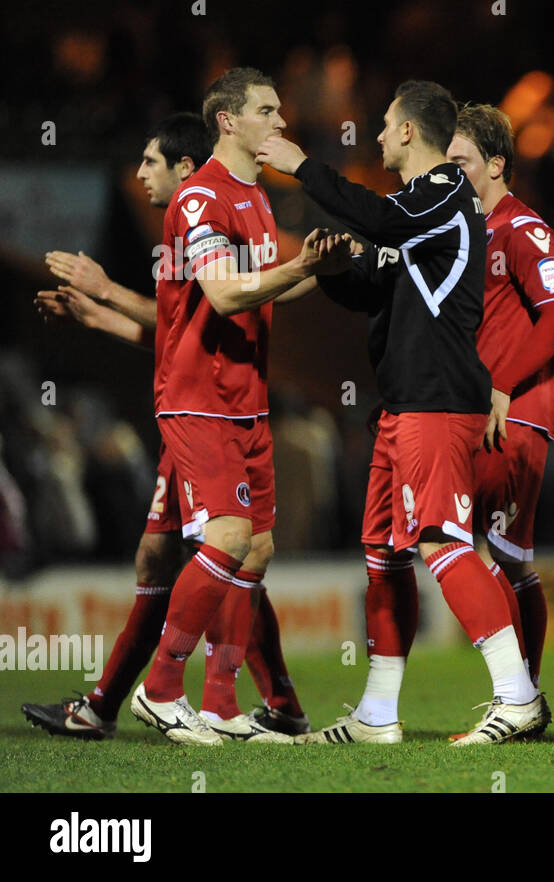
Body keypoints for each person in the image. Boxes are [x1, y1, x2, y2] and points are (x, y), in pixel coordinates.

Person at [258, 80, 545, 746]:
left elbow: (379, 221)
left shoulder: (445, 192)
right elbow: (375, 288)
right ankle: (378, 715)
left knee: (444, 541)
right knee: (386, 555)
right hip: (402, 403)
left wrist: (300, 164)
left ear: (412, 130)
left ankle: (517, 695)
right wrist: (331, 269)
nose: (379, 137)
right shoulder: (418, 214)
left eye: (386, 126)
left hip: (438, 400)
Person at [23, 113, 308, 740]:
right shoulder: (190, 224)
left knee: (235, 547)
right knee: (168, 557)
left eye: (151, 160)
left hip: (209, 409)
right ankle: (105, 707)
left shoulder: (205, 210)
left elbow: (204, 314)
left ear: (184, 166)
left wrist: (102, 290)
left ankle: (230, 700)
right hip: (194, 408)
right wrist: (97, 316)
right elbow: (174, 328)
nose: (140, 172)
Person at [129, 68, 337, 746]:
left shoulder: (257, 199)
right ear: (227, 120)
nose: (280, 122)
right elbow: (223, 294)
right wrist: (297, 269)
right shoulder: (198, 198)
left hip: (246, 400)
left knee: (257, 549)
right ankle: (160, 689)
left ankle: (219, 703)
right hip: (199, 400)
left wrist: (317, 269)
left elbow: (265, 289)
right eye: (267, 111)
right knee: (227, 538)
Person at [447, 103, 554, 714]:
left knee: (477, 547)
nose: (447, 172)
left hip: (516, 414)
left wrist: (502, 386)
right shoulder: (465, 231)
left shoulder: (522, 229)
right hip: (480, 413)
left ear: (497, 164)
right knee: (509, 557)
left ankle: (519, 694)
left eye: (459, 161)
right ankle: (524, 691)